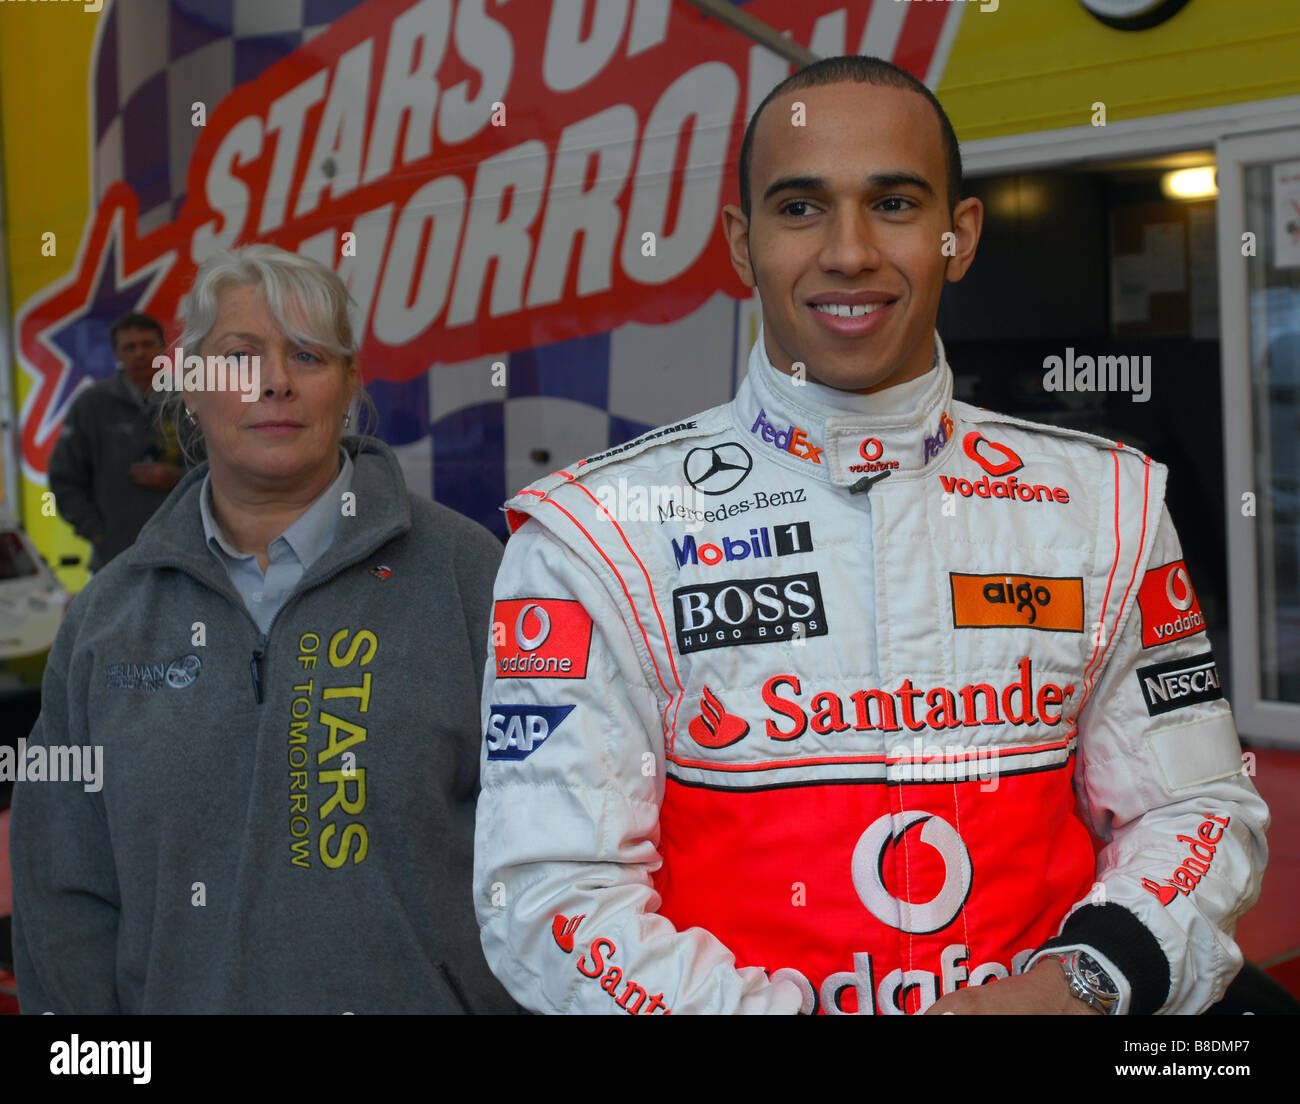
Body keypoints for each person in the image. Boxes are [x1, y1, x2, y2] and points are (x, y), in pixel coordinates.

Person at [472, 56, 1270, 1015]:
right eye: (800, 208)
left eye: (893, 204)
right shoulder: (594, 539)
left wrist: (1076, 987)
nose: (848, 252)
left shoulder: (1105, 504)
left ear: (958, 236)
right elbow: (550, 893)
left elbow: (1197, 810)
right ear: (741, 242)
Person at [10, 245, 518, 1013]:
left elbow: (553, 849)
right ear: (188, 383)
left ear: (348, 385)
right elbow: (60, 892)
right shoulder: (105, 622)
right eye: (240, 357)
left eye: (308, 355)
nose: (275, 381)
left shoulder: (469, 575)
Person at [47, 311, 184, 572]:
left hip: (183, 556)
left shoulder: (188, 401)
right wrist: (99, 533)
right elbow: (63, 478)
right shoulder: (91, 405)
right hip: (114, 562)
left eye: (147, 344)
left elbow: (217, 471)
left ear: (162, 348)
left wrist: (176, 476)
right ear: (117, 354)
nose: (139, 353)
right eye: (129, 347)